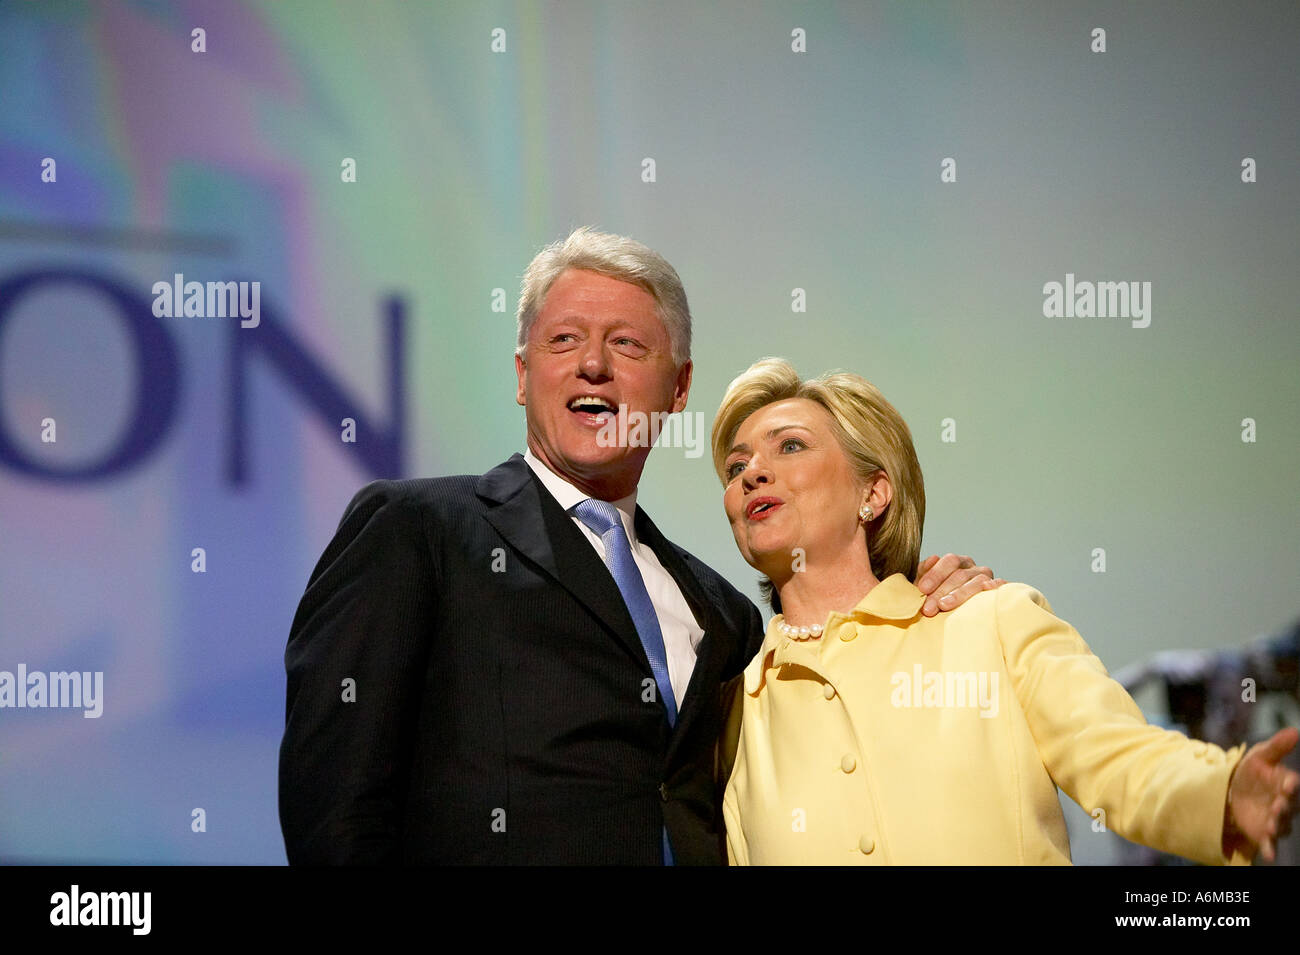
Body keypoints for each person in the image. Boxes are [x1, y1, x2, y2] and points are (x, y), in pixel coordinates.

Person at [278, 228, 996, 865]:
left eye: (626, 344)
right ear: (523, 375)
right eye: (564, 340)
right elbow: (334, 808)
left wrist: (918, 600)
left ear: (678, 388)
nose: (593, 364)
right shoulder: (417, 531)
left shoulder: (724, 613)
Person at [714, 358, 1299, 865]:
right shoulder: (735, 713)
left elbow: (1117, 758)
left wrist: (1221, 793)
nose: (753, 474)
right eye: (737, 468)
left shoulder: (992, 622)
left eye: (791, 445)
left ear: (874, 492)